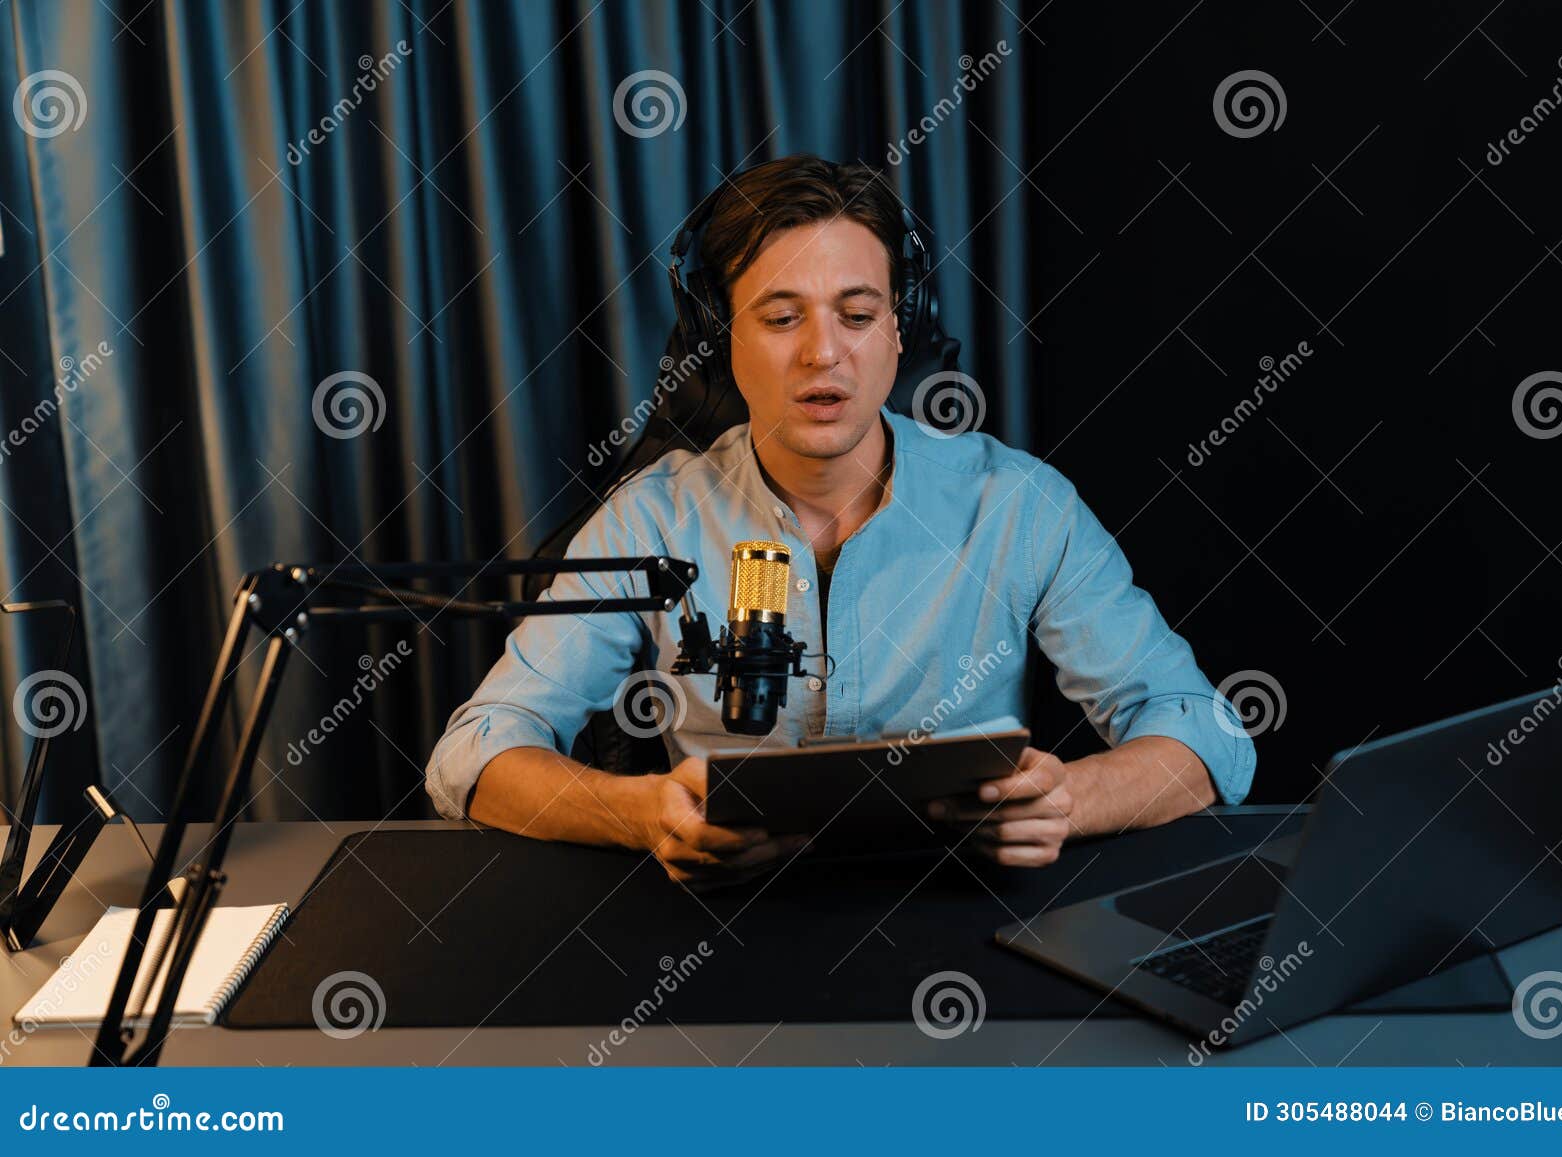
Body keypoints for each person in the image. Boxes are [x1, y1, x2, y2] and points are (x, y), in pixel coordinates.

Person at [426, 154, 1255, 889]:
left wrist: (1073, 800)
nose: (824, 353)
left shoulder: (1019, 505)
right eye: (782, 318)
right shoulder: (651, 518)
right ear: (724, 342)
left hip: (963, 926)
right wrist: (640, 811)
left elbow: (1209, 732)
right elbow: (476, 751)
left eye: (857, 315)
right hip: (721, 930)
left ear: (900, 331)